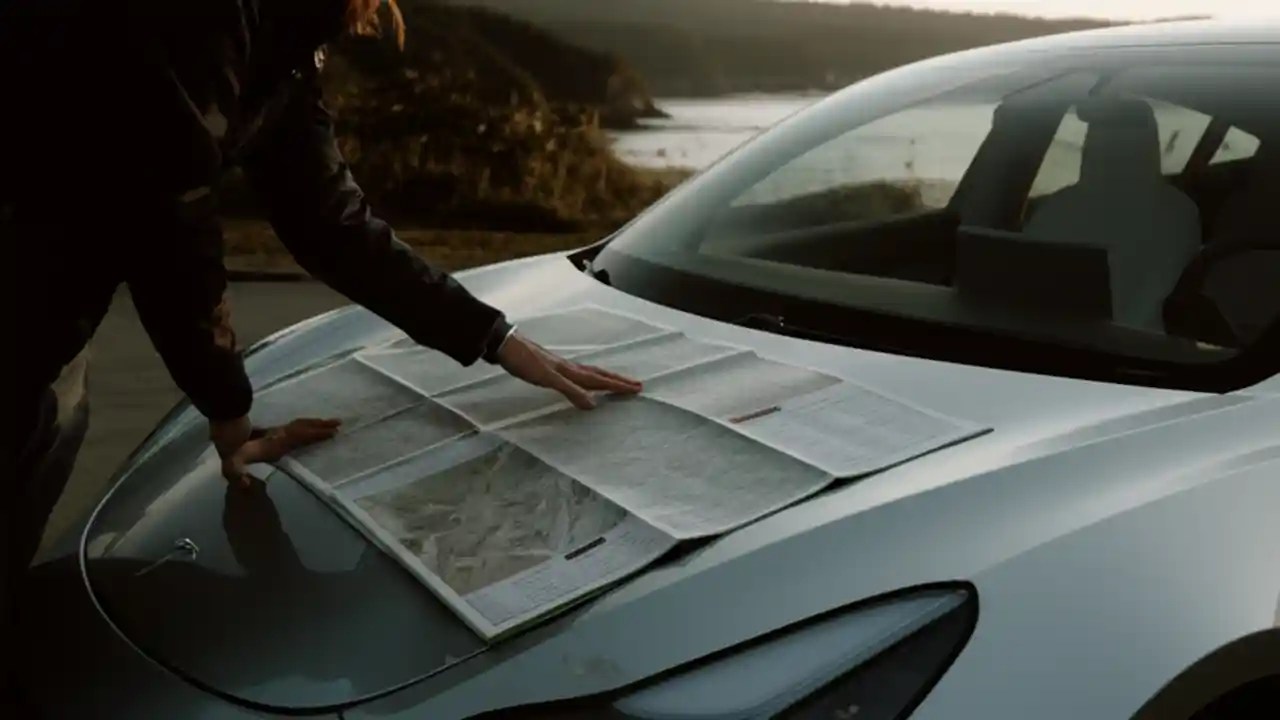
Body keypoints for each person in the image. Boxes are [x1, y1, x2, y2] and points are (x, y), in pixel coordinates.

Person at [0, 0, 641, 705]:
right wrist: (228, 408)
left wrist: (493, 336)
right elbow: (169, 209)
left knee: (51, 430)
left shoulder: (286, 38)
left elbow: (329, 218)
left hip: (48, 321)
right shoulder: (205, 20)